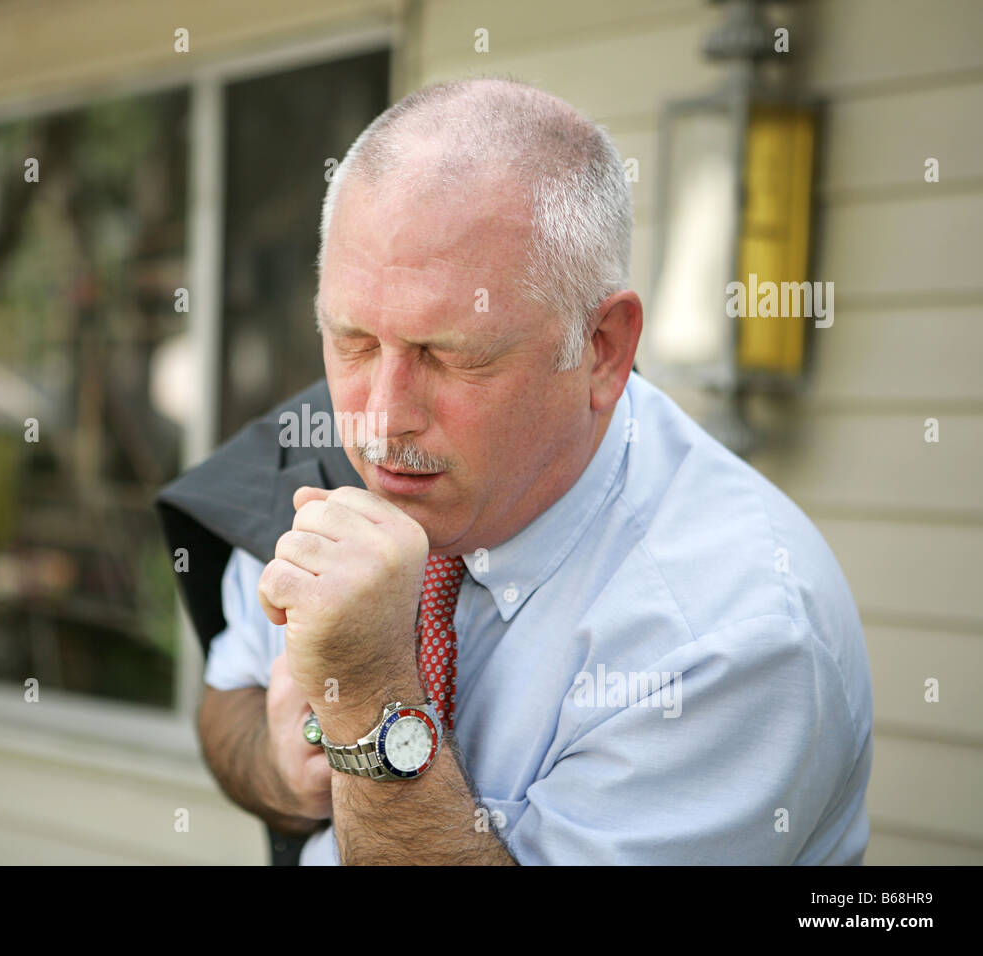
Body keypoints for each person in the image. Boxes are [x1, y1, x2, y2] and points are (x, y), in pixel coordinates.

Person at [156, 77, 872, 865]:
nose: (380, 416)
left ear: (601, 349)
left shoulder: (730, 641)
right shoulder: (326, 445)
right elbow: (230, 694)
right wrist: (278, 770)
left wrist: (370, 709)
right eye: (353, 339)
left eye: (451, 354)